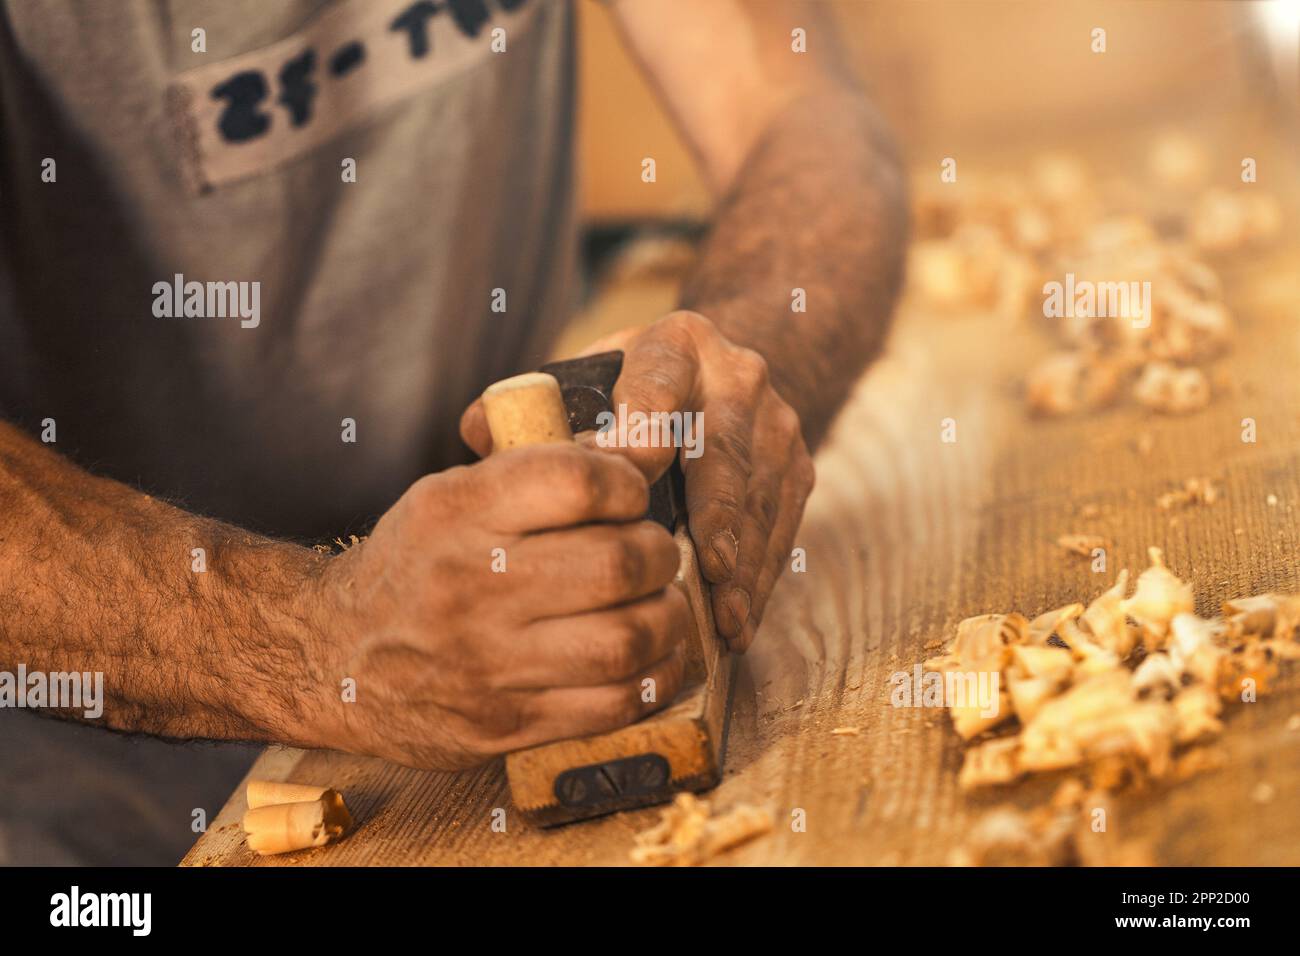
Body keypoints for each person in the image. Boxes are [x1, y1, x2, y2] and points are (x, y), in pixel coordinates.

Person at [0, 0, 905, 864]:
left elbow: (807, 116)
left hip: (507, 719)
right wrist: (320, 640)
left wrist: (750, 356)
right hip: (90, 787)